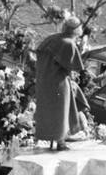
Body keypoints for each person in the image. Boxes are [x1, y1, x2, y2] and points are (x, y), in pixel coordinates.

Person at [34, 16, 87, 151]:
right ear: (77, 30)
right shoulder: (68, 43)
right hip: (58, 82)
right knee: (61, 111)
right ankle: (61, 142)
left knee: (52, 111)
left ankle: (60, 137)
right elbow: (74, 67)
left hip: (43, 80)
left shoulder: (51, 39)